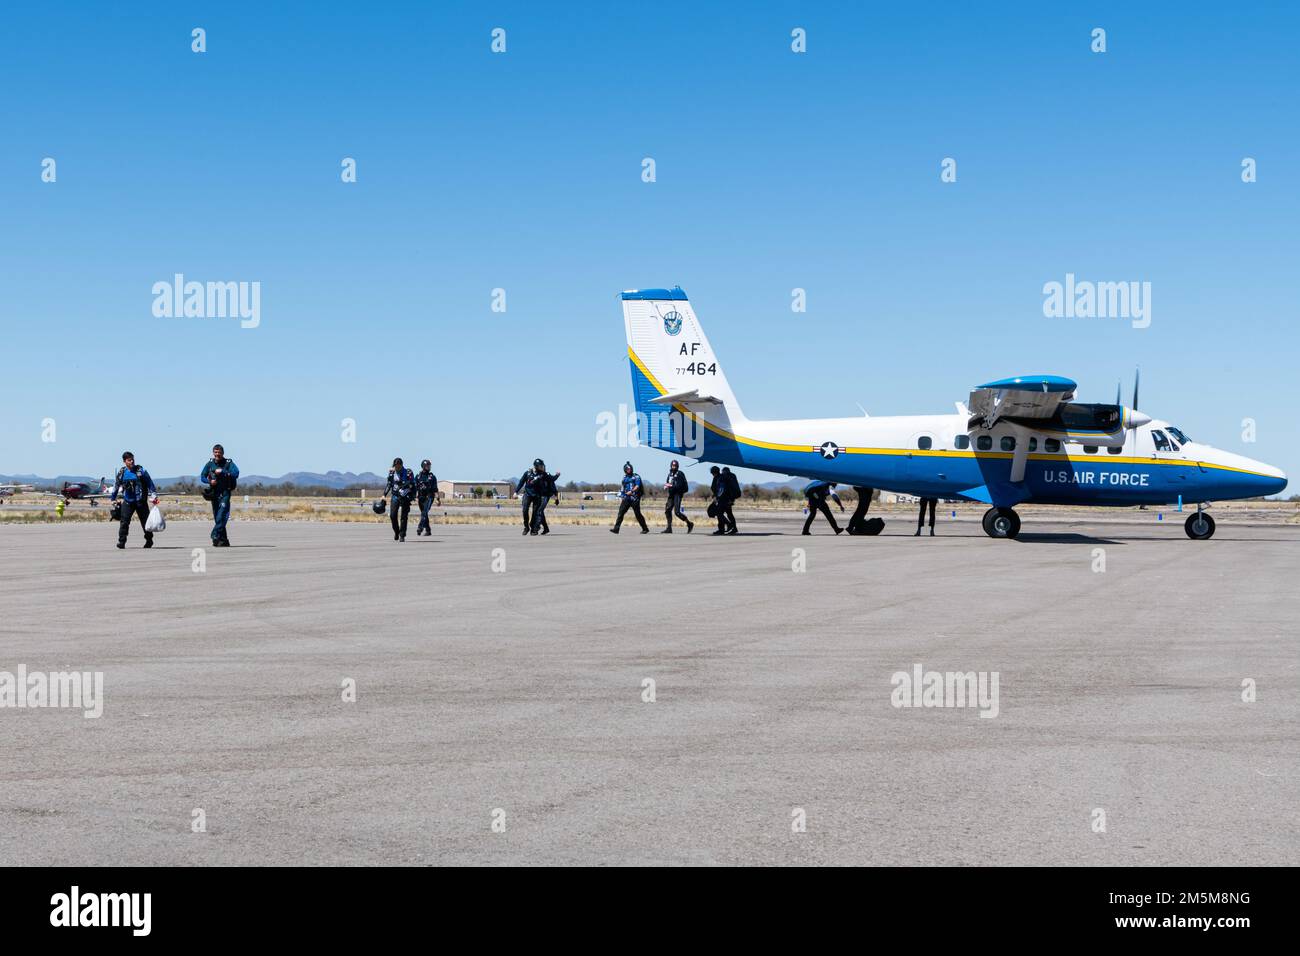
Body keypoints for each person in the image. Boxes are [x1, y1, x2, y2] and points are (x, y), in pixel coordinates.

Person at [110, 451, 157, 549]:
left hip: (141, 501)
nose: (132, 461)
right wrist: (113, 498)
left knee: (145, 523)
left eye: (132, 459)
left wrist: (153, 495)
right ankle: (121, 542)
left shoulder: (141, 471)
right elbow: (116, 485)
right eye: (129, 460)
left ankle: (149, 540)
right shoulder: (122, 472)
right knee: (124, 522)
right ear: (124, 461)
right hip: (128, 501)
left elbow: (150, 483)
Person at [199, 444, 239, 547]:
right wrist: (209, 481)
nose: (217, 454)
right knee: (218, 517)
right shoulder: (210, 463)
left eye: (219, 452)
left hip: (225, 493)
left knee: (222, 515)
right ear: (213, 453)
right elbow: (202, 476)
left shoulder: (229, 463)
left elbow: (236, 473)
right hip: (214, 494)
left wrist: (223, 471)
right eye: (215, 452)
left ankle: (215, 534)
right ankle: (223, 541)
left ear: (223, 453)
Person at [610, 461, 648, 534]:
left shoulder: (636, 476)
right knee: (620, 513)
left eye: (630, 469)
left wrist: (632, 491)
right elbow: (623, 487)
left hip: (635, 498)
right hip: (627, 498)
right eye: (627, 469)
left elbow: (637, 486)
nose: (629, 470)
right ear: (625, 470)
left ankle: (645, 528)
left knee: (637, 514)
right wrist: (621, 495)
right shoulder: (624, 478)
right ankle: (616, 529)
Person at [385, 457, 416, 541]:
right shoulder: (392, 473)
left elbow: (412, 483)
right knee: (392, 515)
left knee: (404, 516)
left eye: (398, 466)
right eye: (395, 466)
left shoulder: (408, 472)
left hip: (405, 496)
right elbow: (389, 484)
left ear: (402, 465)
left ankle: (402, 535)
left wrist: (406, 486)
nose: (397, 467)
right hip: (395, 495)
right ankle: (396, 532)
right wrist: (384, 494)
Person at [661, 459, 693, 533]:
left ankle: (689, 523)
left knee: (677, 512)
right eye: (673, 465)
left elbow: (680, 485)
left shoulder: (680, 474)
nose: (674, 467)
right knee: (667, 510)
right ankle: (669, 528)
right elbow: (668, 482)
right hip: (671, 494)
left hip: (677, 494)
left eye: (675, 465)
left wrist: (670, 485)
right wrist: (666, 486)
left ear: (677, 466)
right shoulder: (670, 474)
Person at [414, 460, 439, 536]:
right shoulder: (418, 476)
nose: (429, 467)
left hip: (429, 497)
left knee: (424, 512)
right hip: (421, 497)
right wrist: (414, 496)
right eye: (427, 466)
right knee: (424, 514)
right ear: (423, 466)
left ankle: (420, 527)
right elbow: (415, 487)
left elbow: (435, 489)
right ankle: (428, 530)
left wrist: (438, 499)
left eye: (429, 466)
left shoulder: (432, 477)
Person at [721, 466, 741, 535]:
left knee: (720, 513)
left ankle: (730, 526)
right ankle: (733, 528)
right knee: (729, 514)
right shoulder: (732, 476)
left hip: (727, 498)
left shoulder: (727, 477)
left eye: (722, 471)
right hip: (731, 498)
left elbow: (728, 489)